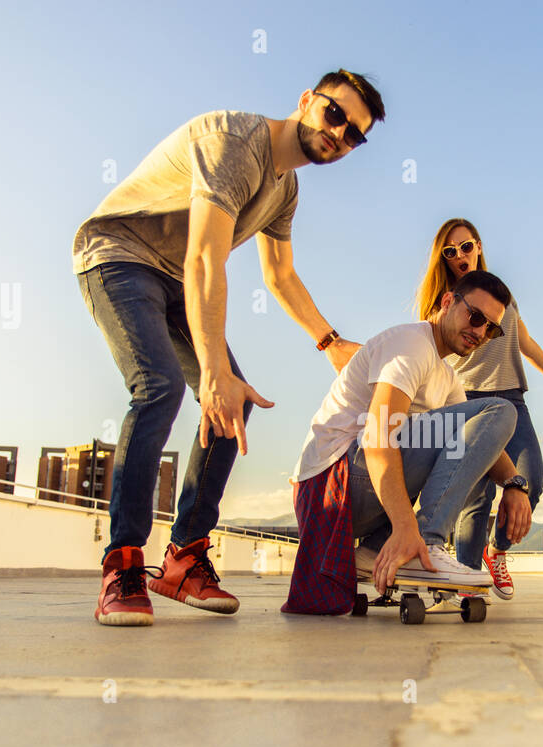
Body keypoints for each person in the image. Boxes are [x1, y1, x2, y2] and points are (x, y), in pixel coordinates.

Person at [73, 70, 386, 625]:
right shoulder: (236, 144)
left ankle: (183, 558)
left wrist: (331, 342)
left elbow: (281, 276)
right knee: (161, 386)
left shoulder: (285, 190)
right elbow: (203, 259)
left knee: (233, 403)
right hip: (118, 255)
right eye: (334, 114)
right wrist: (214, 367)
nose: (339, 134)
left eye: (354, 134)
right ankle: (122, 565)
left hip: (174, 281)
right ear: (307, 101)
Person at [282, 271, 533, 613]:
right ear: (447, 302)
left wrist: (516, 485)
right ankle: (427, 544)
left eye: (490, 329)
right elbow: (378, 437)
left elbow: (479, 435)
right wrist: (405, 527)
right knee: (501, 409)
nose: (479, 332)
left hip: (355, 494)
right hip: (332, 484)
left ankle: (372, 552)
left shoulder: (446, 376)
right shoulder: (411, 345)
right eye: (475, 317)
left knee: (472, 432)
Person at [414, 218, 543, 599]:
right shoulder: (444, 297)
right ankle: (467, 582)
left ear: (479, 246)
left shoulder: (500, 294)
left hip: (512, 398)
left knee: (529, 479)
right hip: (464, 400)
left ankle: (496, 551)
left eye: (466, 247)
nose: (459, 256)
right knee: (476, 496)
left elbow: (525, 339)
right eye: (450, 252)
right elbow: (427, 354)